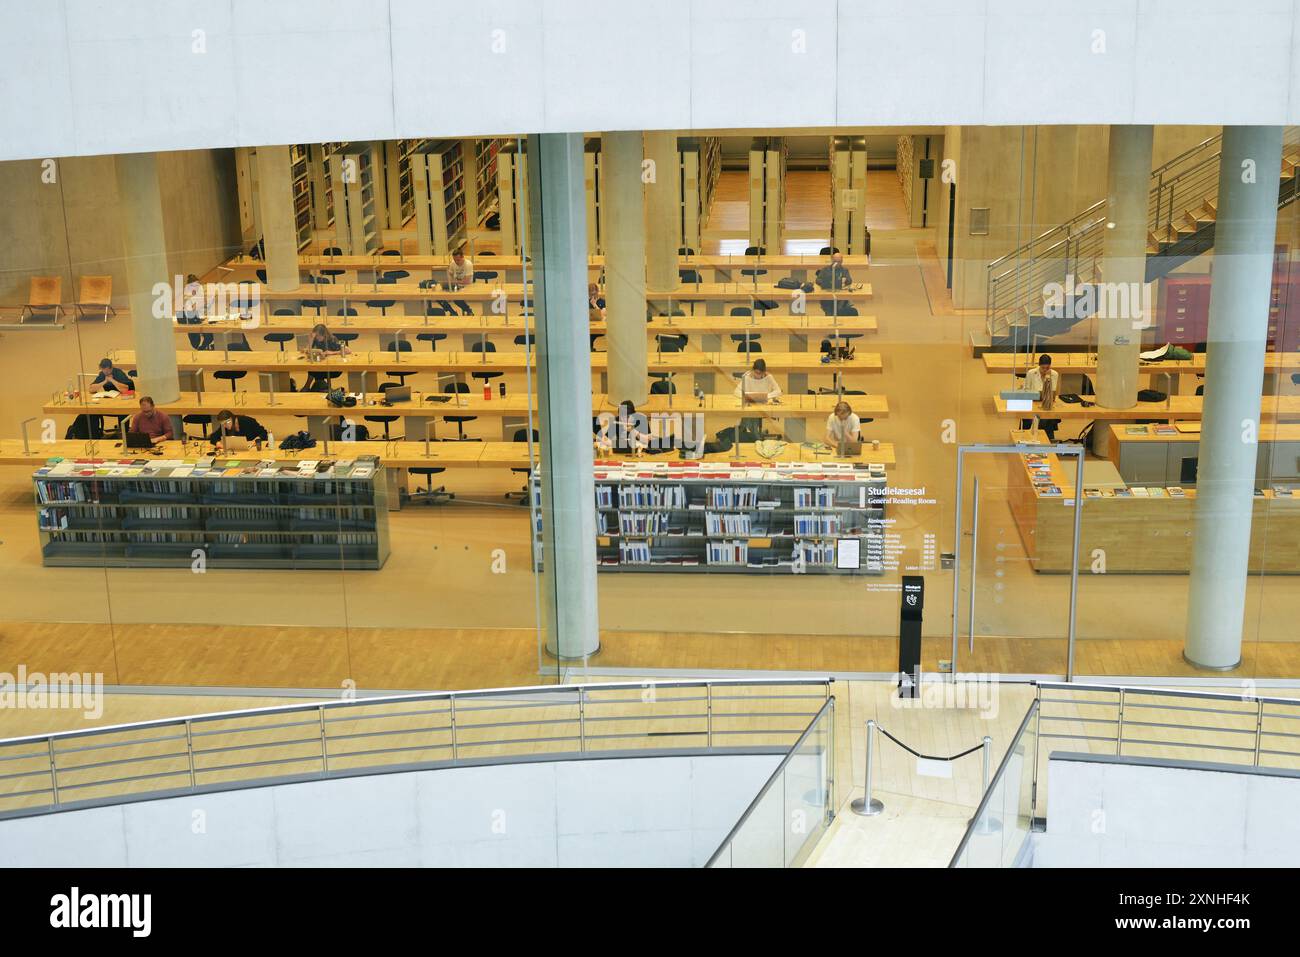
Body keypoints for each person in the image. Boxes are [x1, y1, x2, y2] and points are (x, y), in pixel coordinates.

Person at [1022, 353, 1061, 441]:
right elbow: (1026, 390)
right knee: (1043, 419)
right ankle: (1040, 438)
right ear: (1039, 366)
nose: (1045, 370)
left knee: (1048, 417)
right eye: (1043, 368)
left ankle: (1047, 440)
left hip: (1047, 402)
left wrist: (1048, 378)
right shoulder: (1031, 373)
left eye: (1047, 368)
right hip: (1033, 402)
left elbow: (1053, 392)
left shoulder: (1054, 374)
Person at [303, 323, 347, 392]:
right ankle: (321, 388)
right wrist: (311, 340)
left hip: (334, 368)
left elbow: (348, 350)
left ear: (323, 335)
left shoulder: (332, 339)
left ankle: (309, 387)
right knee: (313, 369)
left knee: (314, 371)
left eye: (318, 336)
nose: (316, 338)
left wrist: (331, 353)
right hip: (323, 366)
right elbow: (307, 351)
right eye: (315, 336)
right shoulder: (316, 340)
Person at [178, 273, 213, 350]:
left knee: (211, 334)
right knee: (205, 337)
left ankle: (205, 346)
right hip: (194, 320)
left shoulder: (199, 291)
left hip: (202, 318)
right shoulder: (187, 297)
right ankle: (202, 347)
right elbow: (191, 310)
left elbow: (206, 304)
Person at [439, 247, 474, 316]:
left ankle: (468, 310)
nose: (456, 262)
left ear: (462, 257)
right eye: (455, 260)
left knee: (455, 297)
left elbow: (466, 281)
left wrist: (454, 281)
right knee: (439, 297)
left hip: (466, 286)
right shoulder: (453, 263)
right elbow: (450, 274)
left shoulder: (468, 264)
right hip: (456, 285)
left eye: (458, 260)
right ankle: (452, 312)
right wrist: (450, 281)